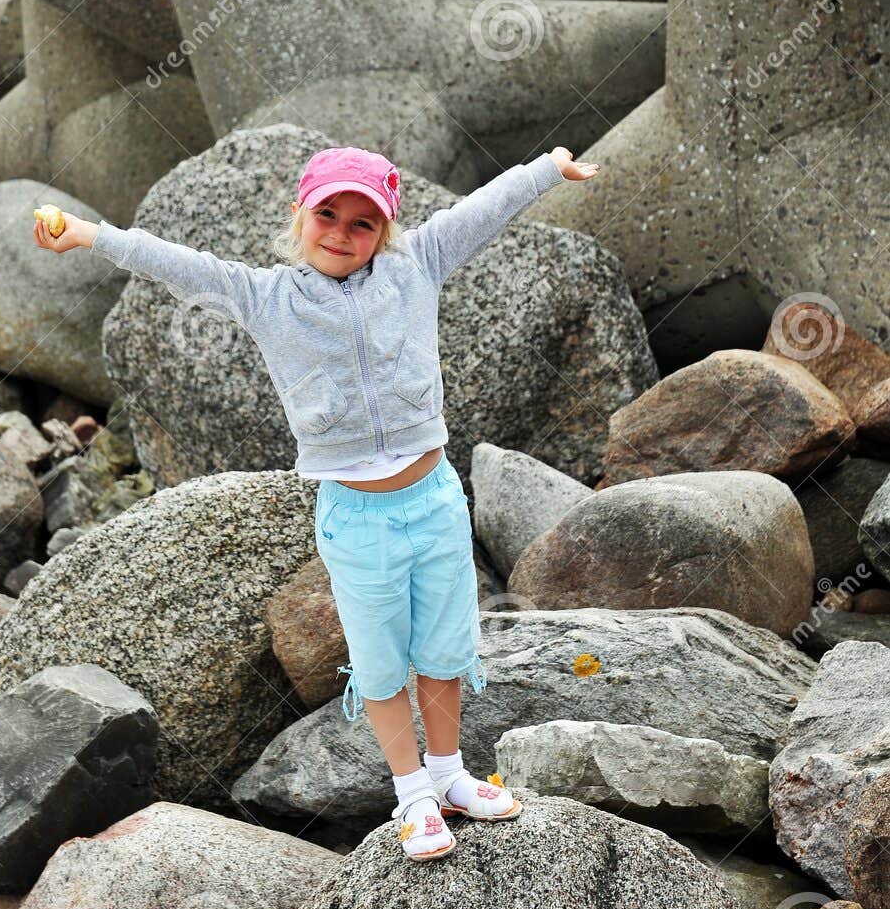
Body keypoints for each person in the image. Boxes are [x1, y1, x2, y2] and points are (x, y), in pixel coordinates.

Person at [33, 142, 599, 860]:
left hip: (434, 500)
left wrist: (547, 167)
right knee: (382, 664)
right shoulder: (265, 297)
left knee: (444, 651)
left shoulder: (416, 265)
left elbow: (481, 211)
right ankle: (413, 796)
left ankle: (452, 775)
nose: (340, 232)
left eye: (362, 223)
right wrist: (88, 235)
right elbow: (177, 263)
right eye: (326, 213)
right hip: (356, 517)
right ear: (299, 216)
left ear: (385, 233)